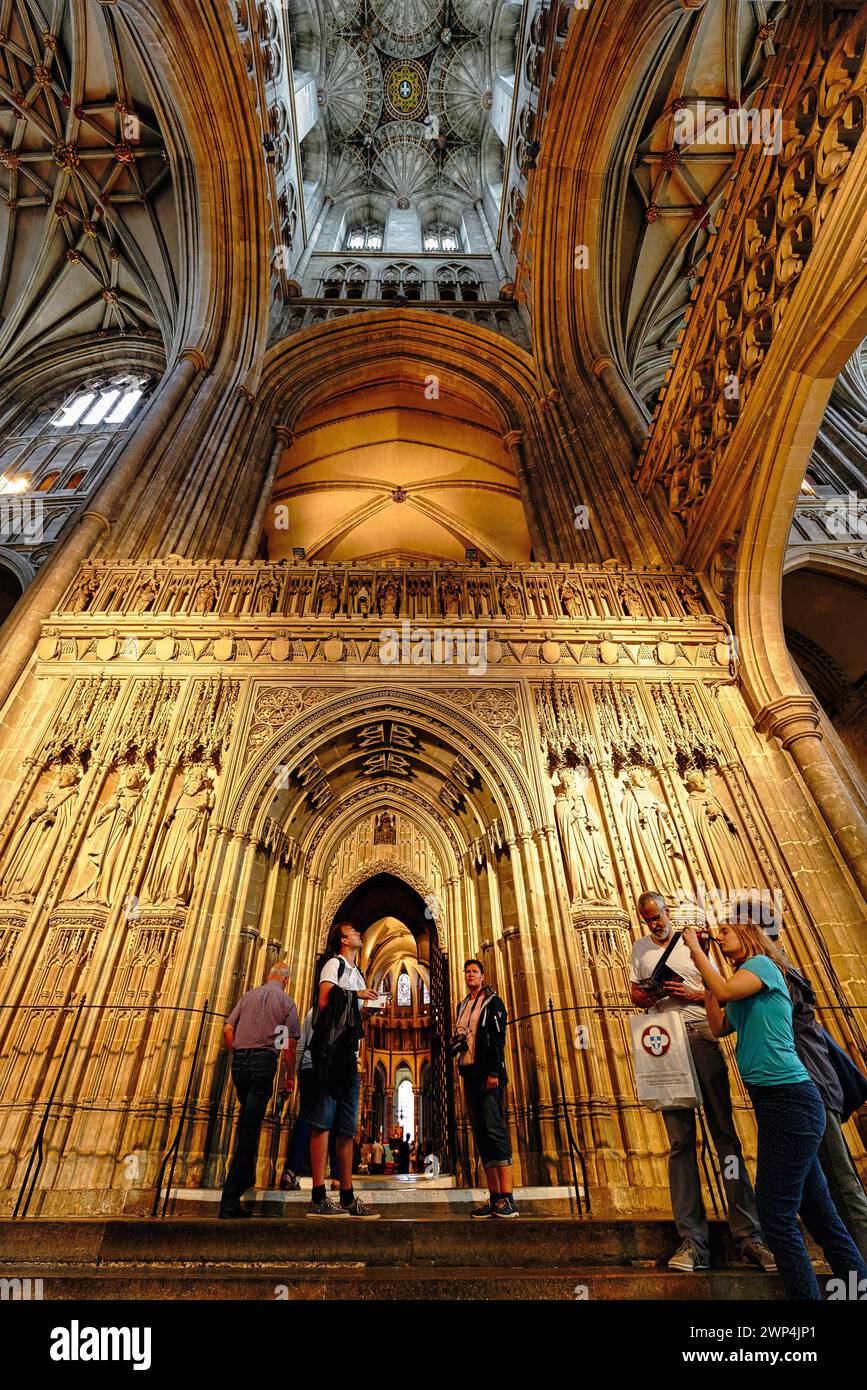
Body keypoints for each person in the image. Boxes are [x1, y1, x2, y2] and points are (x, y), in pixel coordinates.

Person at [682, 919, 867, 1300]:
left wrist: (698, 953)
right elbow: (718, 1027)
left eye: (726, 932)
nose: (720, 937)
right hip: (774, 1103)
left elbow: (724, 988)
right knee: (820, 1214)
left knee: (776, 1216)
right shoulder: (742, 987)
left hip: (791, 1099)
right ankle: (858, 1288)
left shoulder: (763, 967)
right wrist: (707, 986)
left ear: (748, 935)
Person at [629, 892, 773, 1272]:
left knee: (724, 1134)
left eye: (657, 916)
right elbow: (633, 994)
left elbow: (721, 989)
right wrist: (649, 993)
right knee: (680, 1143)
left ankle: (749, 1235)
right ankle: (692, 1241)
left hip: (699, 1034)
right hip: (664, 1043)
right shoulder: (640, 949)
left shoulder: (696, 940)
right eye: (647, 919)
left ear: (667, 911)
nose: (654, 924)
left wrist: (691, 993)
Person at [764, 923, 867, 1261]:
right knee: (815, 1196)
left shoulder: (779, 978)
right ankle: (853, 1274)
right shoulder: (780, 975)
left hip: (810, 1088)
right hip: (802, 1091)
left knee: (841, 1184)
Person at [304, 921, 380, 1218]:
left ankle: (347, 1196)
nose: (359, 934)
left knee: (347, 1127)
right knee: (322, 1122)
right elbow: (325, 1002)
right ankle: (319, 1195)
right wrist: (356, 996)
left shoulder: (357, 972)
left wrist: (367, 1007)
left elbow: (350, 1013)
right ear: (343, 940)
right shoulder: (332, 966)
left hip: (351, 1056)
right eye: (354, 931)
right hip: (330, 1055)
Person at [220, 962, 300, 1218]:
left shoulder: (248, 995)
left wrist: (237, 1050)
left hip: (240, 1063)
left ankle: (245, 1178)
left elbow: (228, 1028)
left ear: (269, 977)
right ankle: (230, 1199)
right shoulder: (286, 1003)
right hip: (263, 1063)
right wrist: (290, 1076)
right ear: (286, 980)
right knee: (249, 1128)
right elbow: (286, 1043)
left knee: (247, 1121)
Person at [454, 959, 518, 1218]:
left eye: (474, 972)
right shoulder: (463, 1005)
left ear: (483, 976)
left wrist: (493, 1071)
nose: (470, 975)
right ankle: (494, 1197)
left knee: (494, 1130)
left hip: (487, 1074)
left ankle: (508, 1197)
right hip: (469, 1072)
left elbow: (497, 1038)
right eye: (467, 971)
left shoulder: (493, 1002)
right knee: (481, 1134)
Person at [279, 1007, 314, 1191]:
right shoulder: (344, 1011)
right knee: (329, 1124)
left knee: (305, 1118)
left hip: (308, 1068)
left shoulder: (312, 1012)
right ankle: (334, 1178)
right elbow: (288, 1040)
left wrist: (295, 1072)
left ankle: (291, 1170)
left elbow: (298, 1044)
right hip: (329, 1071)